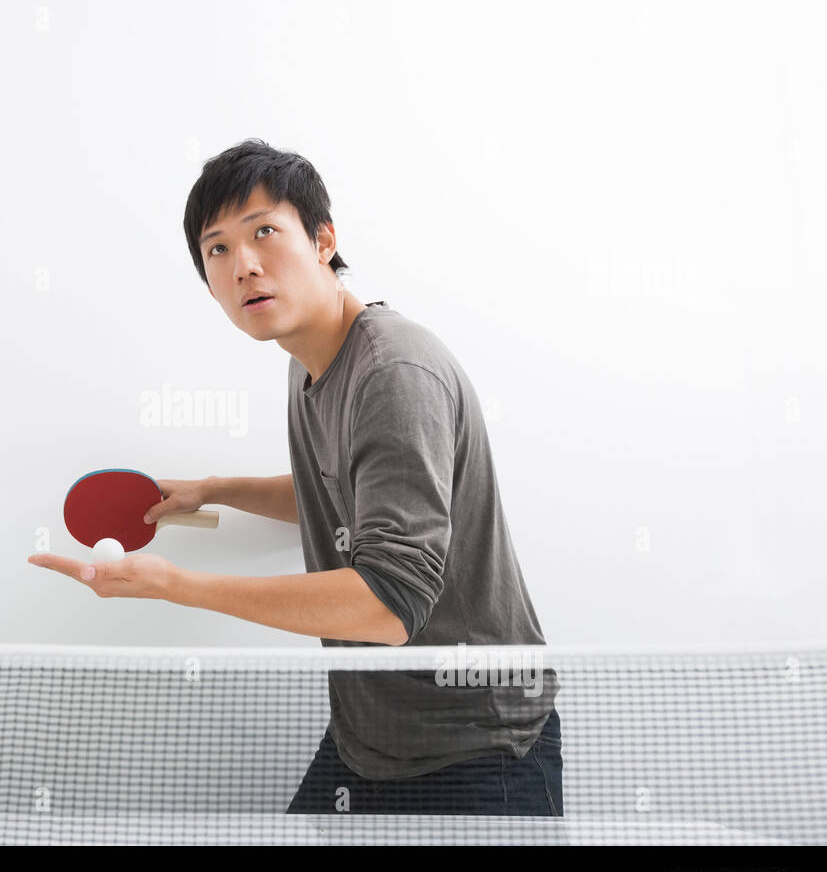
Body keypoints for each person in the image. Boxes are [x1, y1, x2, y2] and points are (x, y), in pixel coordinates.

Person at [29, 138, 561, 816]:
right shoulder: (311, 358)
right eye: (216, 249)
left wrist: (175, 587)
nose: (242, 265)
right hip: (370, 737)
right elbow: (340, 493)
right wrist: (214, 490)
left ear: (322, 240)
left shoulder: (394, 373)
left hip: (477, 751)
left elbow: (388, 605)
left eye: (264, 233)